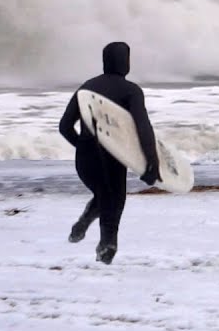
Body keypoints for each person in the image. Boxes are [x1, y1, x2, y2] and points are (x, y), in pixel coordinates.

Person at [59, 41, 159, 264]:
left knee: (104, 196)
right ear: (126, 62)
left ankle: (88, 223)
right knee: (114, 198)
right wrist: (151, 161)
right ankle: (107, 244)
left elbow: (64, 126)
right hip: (113, 156)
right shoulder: (131, 90)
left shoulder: (86, 88)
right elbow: (143, 127)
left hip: (85, 160)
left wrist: (83, 147)